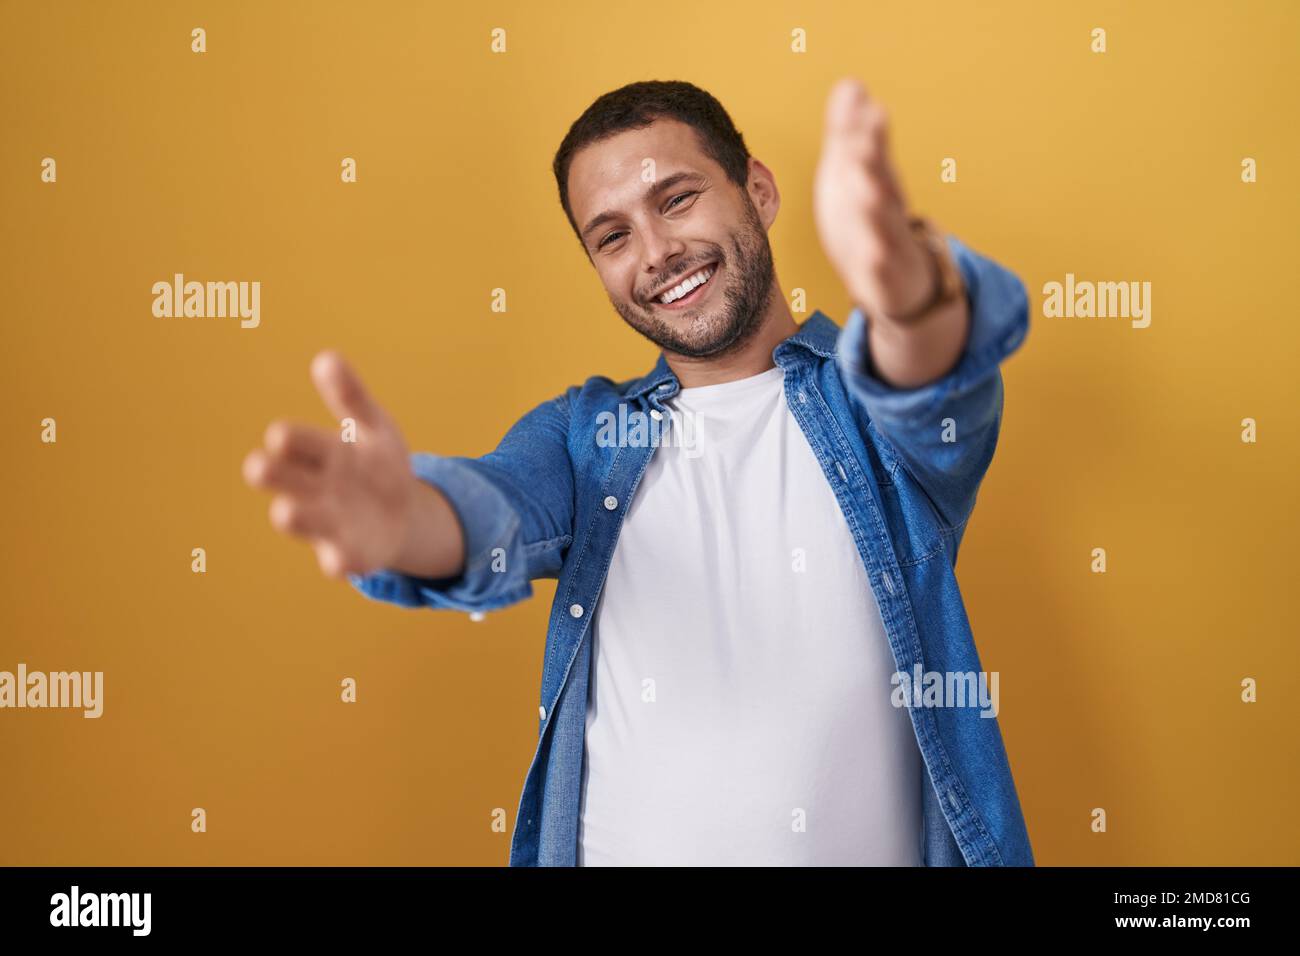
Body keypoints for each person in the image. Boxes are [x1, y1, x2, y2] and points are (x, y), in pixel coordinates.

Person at [242, 77, 1034, 866]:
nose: (656, 254)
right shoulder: (586, 435)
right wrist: (406, 523)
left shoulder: (867, 408)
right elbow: (492, 512)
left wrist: (904, 290)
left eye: (677, 199)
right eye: (612, 236)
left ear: (757, 189)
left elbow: (932, 377)